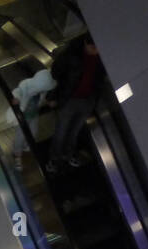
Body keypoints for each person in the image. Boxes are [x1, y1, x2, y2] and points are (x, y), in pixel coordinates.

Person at [46, 35, 104, 172]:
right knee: (61, 131)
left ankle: (68, 155)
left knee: (75, 131)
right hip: (69, 99)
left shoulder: (101, 58)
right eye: (92, 48)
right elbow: (56, 73)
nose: (95, 51)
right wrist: (57, 95)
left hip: (88, 100)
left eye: (97, 48)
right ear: (85, 43)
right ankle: (54, 159)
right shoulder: (72, 55)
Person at [6, 58, 56, 166]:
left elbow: (42, 98)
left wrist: (48, 102)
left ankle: (27, 146)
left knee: (33, 132)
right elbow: (17, 91)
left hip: (34, 115)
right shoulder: (26, 86)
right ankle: (17, 154)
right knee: (20, 135)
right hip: (23, 116)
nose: (43, 91)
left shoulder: (42, 90)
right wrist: (17, 98)